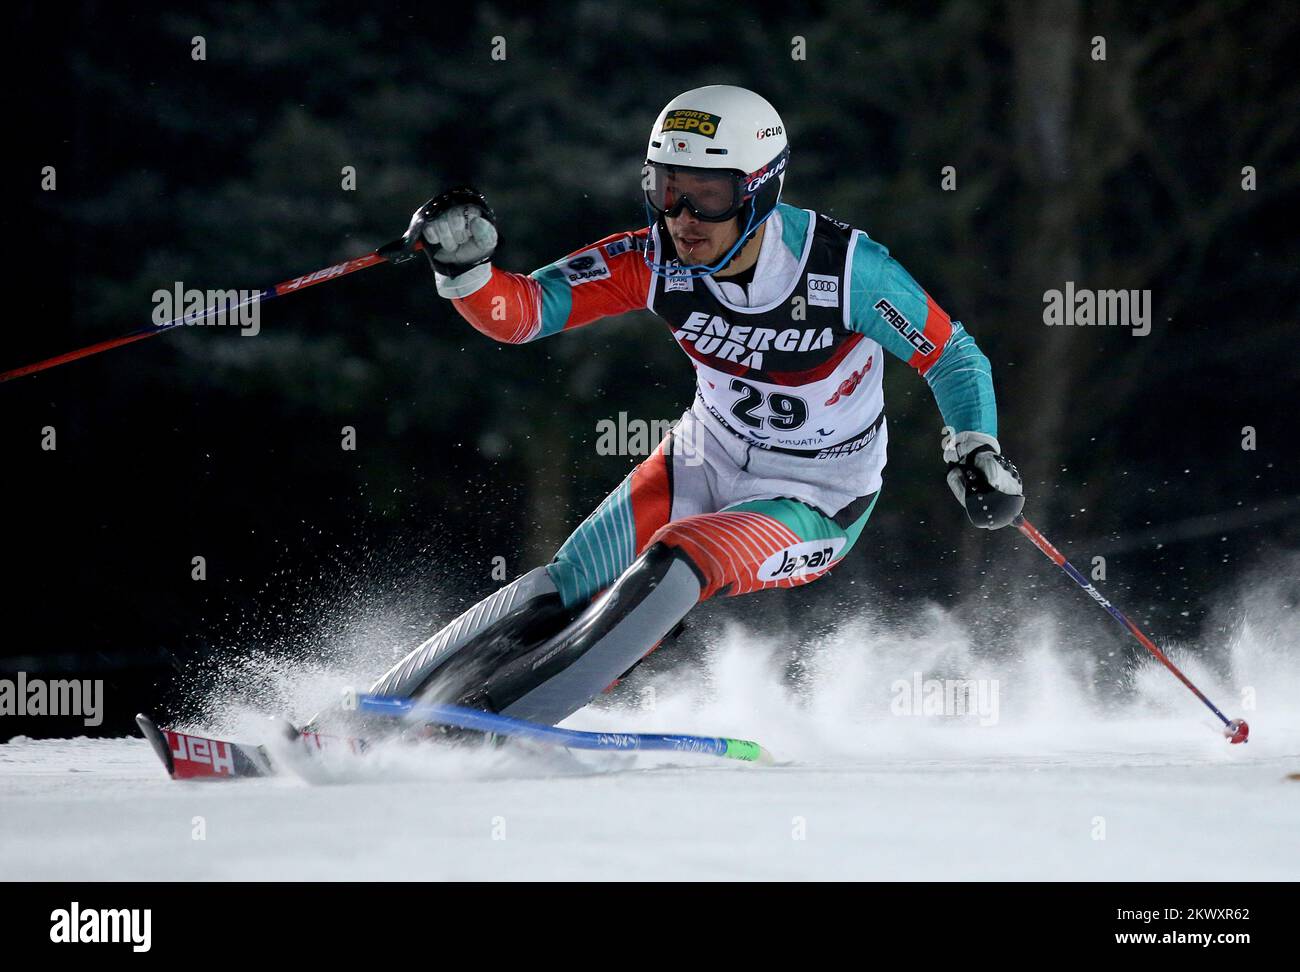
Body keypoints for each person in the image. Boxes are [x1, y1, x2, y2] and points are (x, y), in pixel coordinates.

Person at [368, 85, 1024, 726]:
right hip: (701, 455)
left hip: (819, 496)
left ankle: (484, 722)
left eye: (708, 195)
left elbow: (950, 354)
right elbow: (526, 314)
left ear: (761, 190)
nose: (683, 219)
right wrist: (467, 273)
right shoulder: (653, 258)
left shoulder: (842, 269)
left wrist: (976, 447)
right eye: (665, 189)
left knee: (682, 555)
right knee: (568, 585)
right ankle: (364, 714)